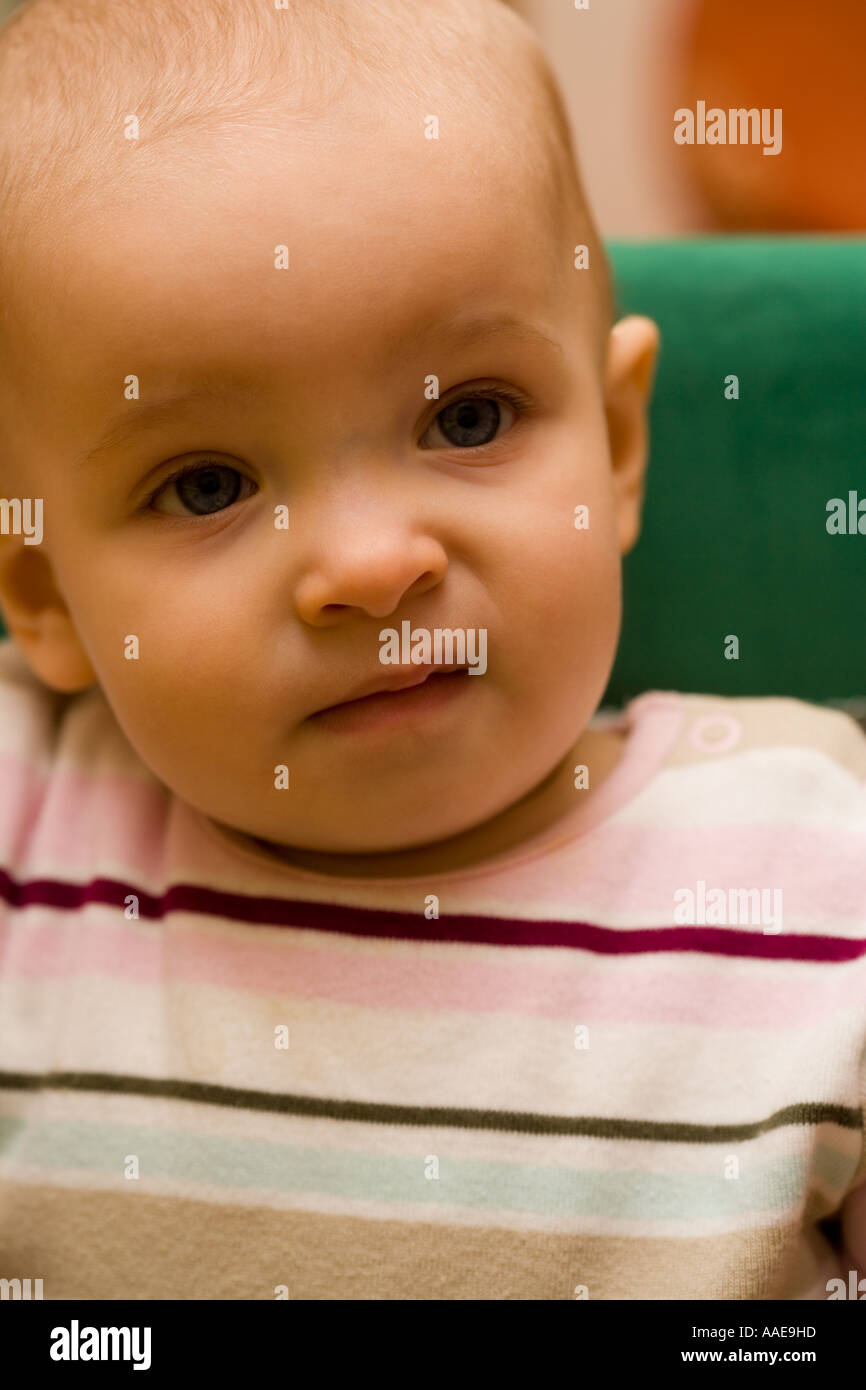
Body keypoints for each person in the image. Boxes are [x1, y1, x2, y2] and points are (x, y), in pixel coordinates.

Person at [0, 0, 862, 1299]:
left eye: (467, 416)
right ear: (45, 593)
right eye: (206, 484)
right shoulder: (34, 828)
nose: (368, 564)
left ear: (617, 448)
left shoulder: (813, 859)